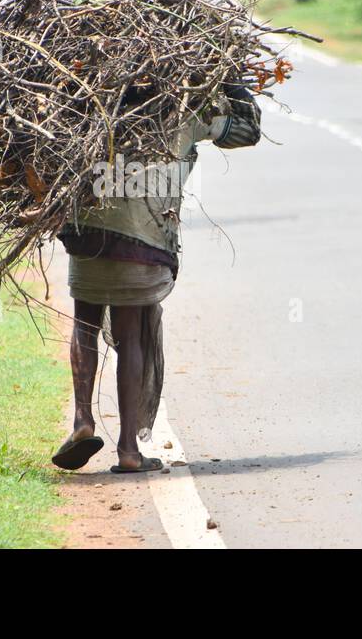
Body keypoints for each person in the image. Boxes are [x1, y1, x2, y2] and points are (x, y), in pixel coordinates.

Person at [51, 82, 262, 473]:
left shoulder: (83, 103)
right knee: (131, 335)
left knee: (85, 325)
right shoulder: (186, 108)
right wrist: (231, 82)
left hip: (88, 233)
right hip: (143, 240)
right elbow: (248, 130)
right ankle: (128, 449)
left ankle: (82, 420)